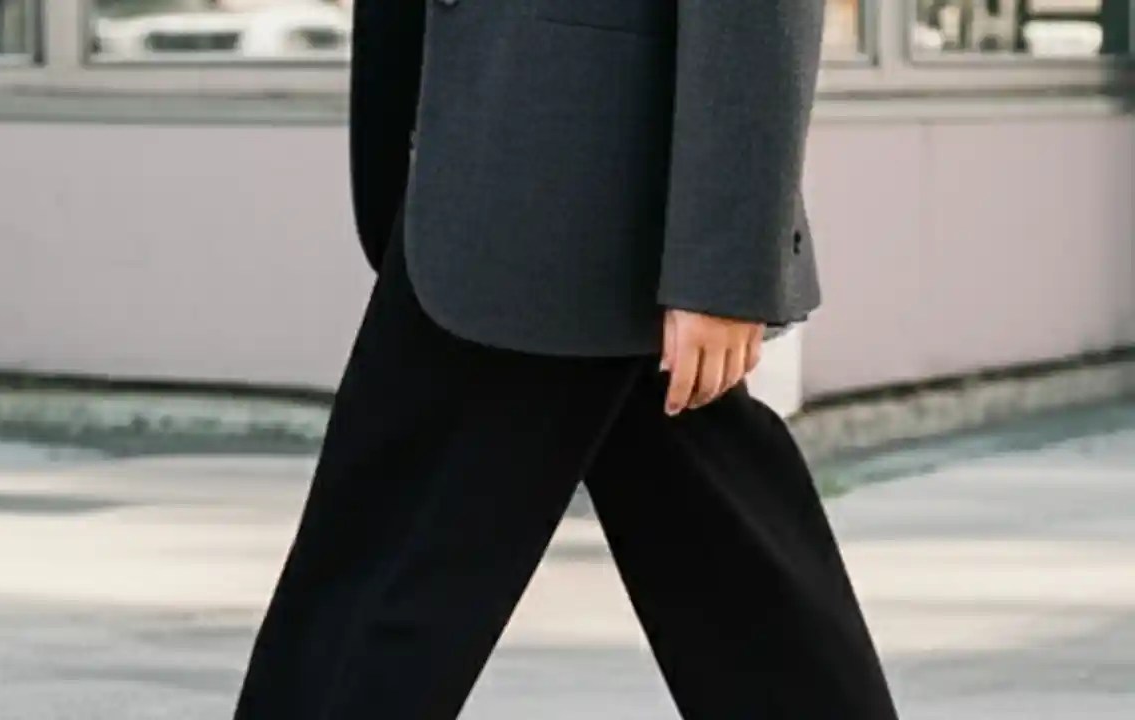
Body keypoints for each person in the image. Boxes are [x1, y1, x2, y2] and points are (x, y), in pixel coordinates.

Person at [233, 0, 900, 717]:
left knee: (371, 582)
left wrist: (726, 265)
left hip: (574, 184)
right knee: (735, 573)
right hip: (511, 165)